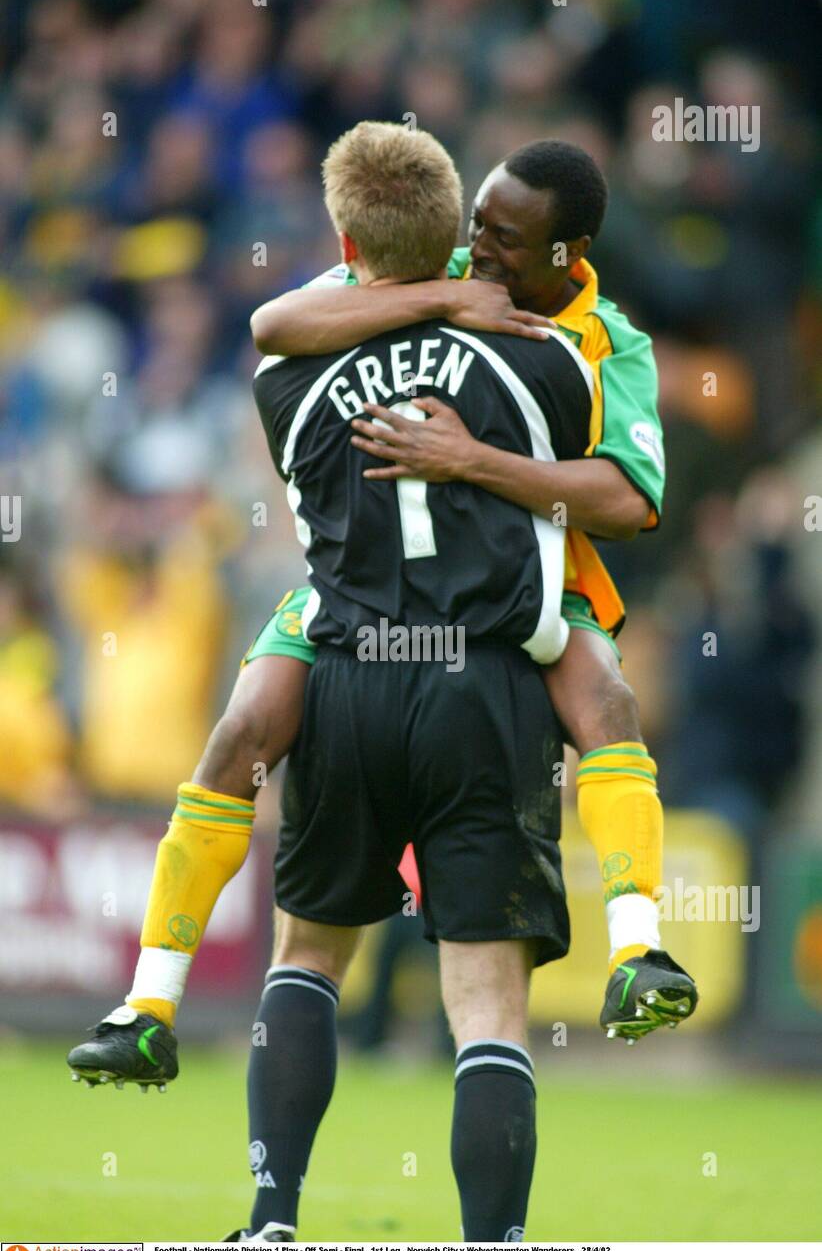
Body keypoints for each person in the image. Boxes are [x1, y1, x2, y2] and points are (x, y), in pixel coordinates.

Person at [66, 135, 697, 1102]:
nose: (480, 249)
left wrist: (473, 462)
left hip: (529, 579)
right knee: (241, 729)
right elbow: (278, 319)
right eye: (477, 224)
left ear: (568, 255)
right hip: (369, 584)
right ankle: (147, 1008)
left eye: (506, 241)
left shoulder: (611, 341)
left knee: (607, 703)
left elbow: (626, 500)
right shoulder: (442, 268)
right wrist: (441, 298)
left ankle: (638, 953)